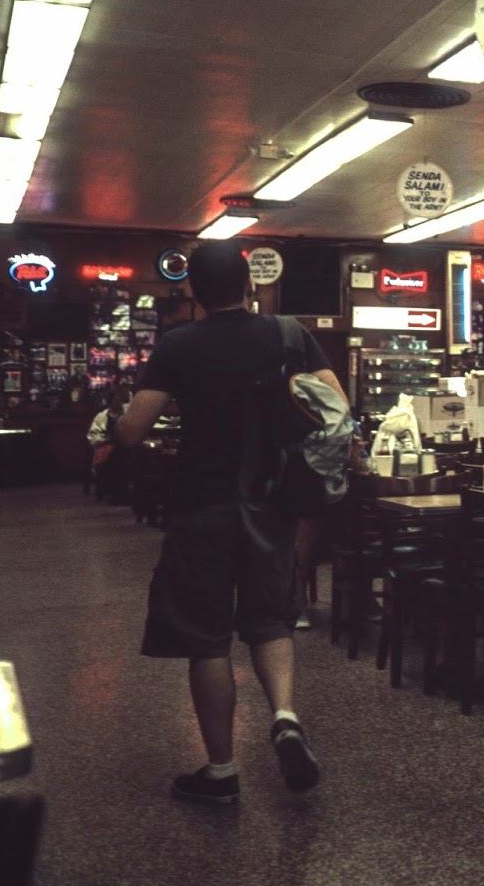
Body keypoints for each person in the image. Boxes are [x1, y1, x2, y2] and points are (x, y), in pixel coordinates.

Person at [117, 243, 342, 804]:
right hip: (271, 502)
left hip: (202, 505)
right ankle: (285, 719)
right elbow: (336, 404)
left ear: (192, 290)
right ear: (251, 286)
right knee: (270, 620)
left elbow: (131, 431)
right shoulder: (287, 334)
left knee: (206, 636)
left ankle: (220, 771)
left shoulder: (179, 344)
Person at [87, 388, 131, 503]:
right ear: (110, 401)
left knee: (124, 454)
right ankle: (117, 493)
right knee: (115, 455)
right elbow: (93, 435)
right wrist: (107, 439)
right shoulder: (102, 416)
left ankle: (121, 492)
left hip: (125, 446)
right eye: (116, 400)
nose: (119, 403)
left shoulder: (128, 415)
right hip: (107, 447)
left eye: (122, 400)